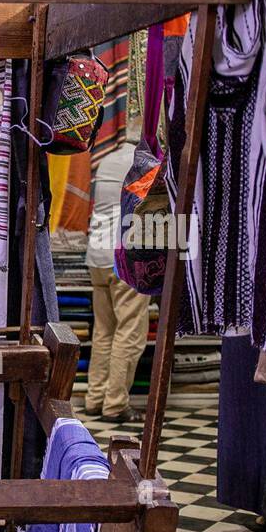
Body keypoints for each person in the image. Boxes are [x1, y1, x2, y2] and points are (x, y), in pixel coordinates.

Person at [84, 141, 148, 424]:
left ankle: (95, 398)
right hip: (125, 254)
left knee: (104, 330)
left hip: (97, 254)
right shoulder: (144, 164)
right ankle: (116, 404)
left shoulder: (107, 161)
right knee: (130, 330)